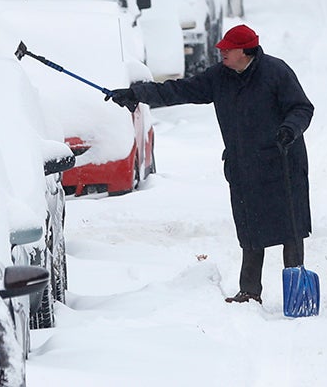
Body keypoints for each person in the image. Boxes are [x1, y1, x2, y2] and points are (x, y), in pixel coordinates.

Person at [105, 25, 315, 305]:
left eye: (228, 49)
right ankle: (250, 292)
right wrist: (136, 94)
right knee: (251, 231)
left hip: (283, 161)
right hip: (244, 167)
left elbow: (302, 107)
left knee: (290, 228)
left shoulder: (276, 72)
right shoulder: (220, 77)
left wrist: (290, 129)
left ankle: (297, 292)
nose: (222, 53)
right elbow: (180, 90)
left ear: (245, 51)